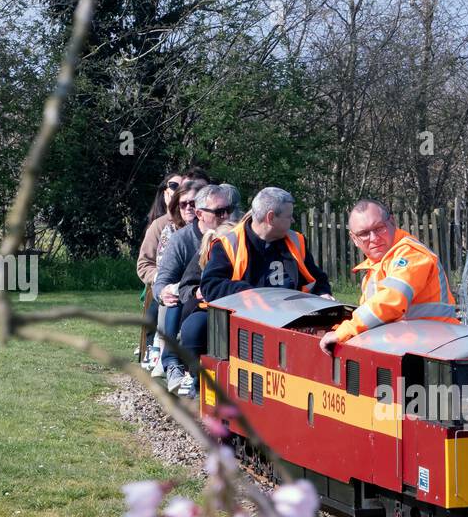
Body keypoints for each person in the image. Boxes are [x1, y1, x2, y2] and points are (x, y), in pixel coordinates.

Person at [320, 199, 458, 354]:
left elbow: (392, 300)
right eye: (364, 233)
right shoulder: (376, 266)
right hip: (408, 350)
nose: (374, 238)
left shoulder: (411, 254)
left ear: (392, 222)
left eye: (379, 228)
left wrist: (345, 331)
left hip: (435, 353)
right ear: (354, 239)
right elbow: (374, 315)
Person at [159, 184, 243, 397]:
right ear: (200, 214)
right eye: (219, 212)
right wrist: (193, 291)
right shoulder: (188, 241)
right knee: (179, 308)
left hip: (240, 307)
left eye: (229, 210)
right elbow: (173, 281)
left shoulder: (242, 238)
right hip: (199, 304)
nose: (226, 216)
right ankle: (173, 362)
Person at [200, 187, 331, 304]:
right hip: (247, 315)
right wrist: (248, 293)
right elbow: (210, 285)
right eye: (289, 216)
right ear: (271, 218)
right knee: (194, 328)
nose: (293, 220)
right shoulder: (228, 244)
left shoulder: (296, 240)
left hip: (292, 313)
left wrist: (322, 293)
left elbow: (317, 278)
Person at [137, 169, 208, 369]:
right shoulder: (163, 227)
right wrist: (161, 280)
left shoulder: (215, 230)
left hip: (196, 287)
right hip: (169, 284)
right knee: (165, 301)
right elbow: (145, 263)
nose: (190, 208)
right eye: (185, 203)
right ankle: (162, 353)